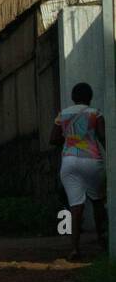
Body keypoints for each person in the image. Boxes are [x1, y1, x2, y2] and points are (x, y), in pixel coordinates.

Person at [50, 82, 109, 260]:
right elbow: (103, 136)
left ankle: (74, 249)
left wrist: (70, 141)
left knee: (76, 207)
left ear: (73, 97)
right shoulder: (95, 113)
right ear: (90, 97)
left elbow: (53, 139)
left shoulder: (63, 114)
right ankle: (102, 241)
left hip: (69, 162)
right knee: (98, 202)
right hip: (92, 160)